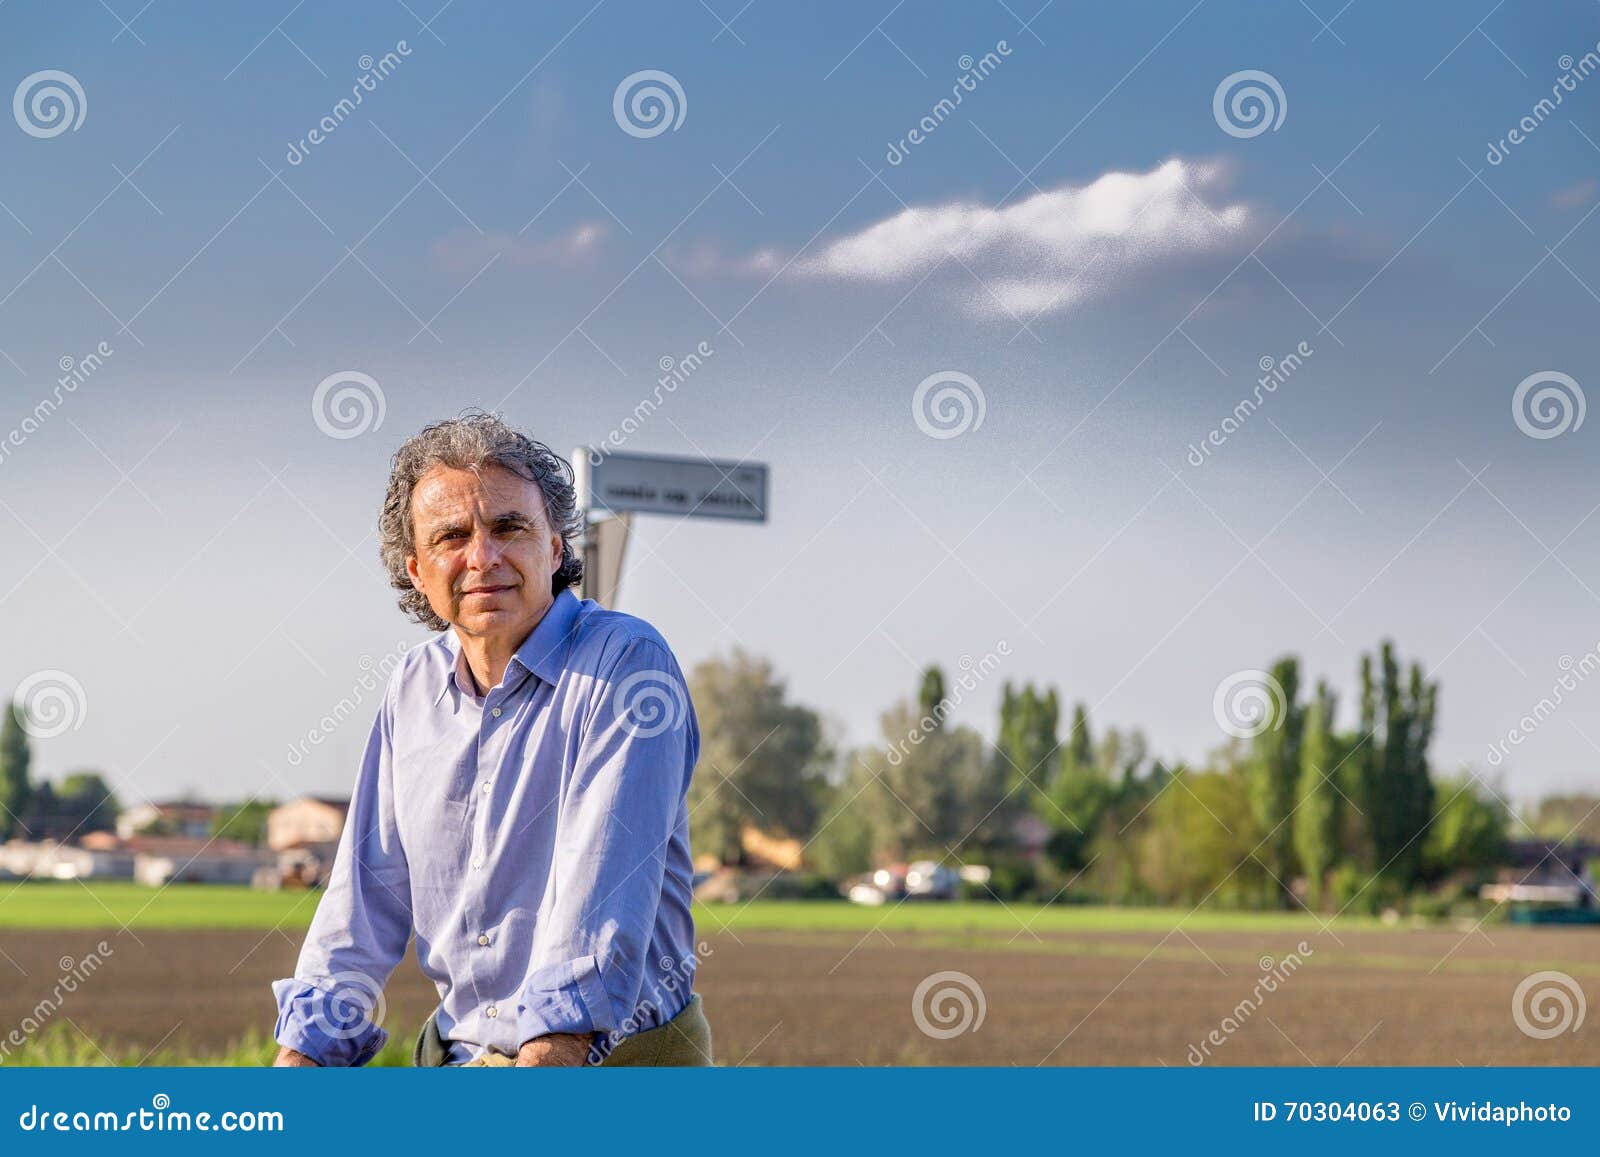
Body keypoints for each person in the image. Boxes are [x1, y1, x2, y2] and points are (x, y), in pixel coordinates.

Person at [270, 410, 710, 1067]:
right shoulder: (410, 690)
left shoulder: (624, 664)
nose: (484, 557)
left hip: (606, 1065)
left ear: (555, 547)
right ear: (417, 570)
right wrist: (300, 1062)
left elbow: (595, 913)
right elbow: (362, 902)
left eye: (509, 526)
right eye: (453, 535)